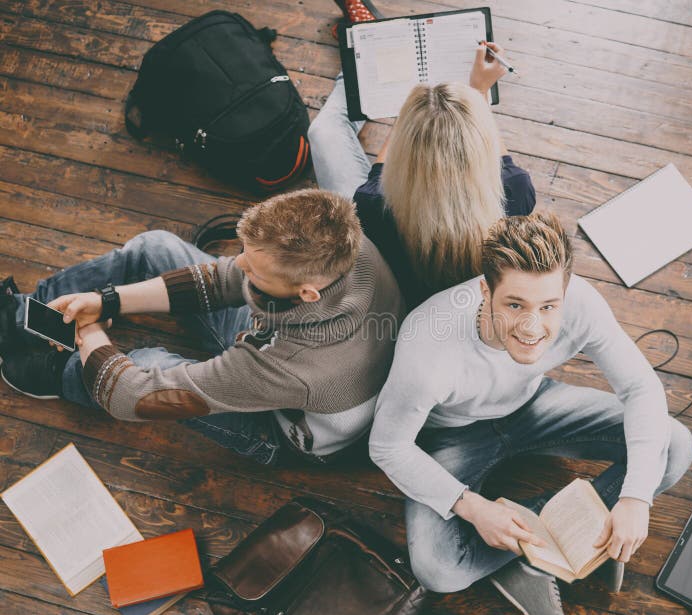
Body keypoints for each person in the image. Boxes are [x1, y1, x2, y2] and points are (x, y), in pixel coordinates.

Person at [369, 213, 692, 615]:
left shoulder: (582, 304)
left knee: (676, 445)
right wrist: (474, 509)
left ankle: (540, 541)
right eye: (515, 305)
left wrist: (635, 498)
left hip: (533, 406)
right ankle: (545, 541)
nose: (531, 327)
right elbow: (387, 445)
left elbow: (640, 388)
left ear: (565, 293)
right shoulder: (428, 347)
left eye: (548, 306)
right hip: (453, 435)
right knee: (438, 570)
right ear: (485, 291)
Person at [0, 189, 404, 465]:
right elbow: (227, 278)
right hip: (292, 346)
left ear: (306, 293)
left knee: (146, 363)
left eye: (254, 269)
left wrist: (87, 332)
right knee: (155, 247)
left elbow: (131, 397)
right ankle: (25, 311)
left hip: (282, 427)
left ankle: (61, 373)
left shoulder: (294, 366)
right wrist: (107, 301)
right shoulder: (344, 244)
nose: (237, 264)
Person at [309, 34, 536, 308]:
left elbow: (381, 171)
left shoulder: (373, 203)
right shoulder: (515, 188)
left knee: (323, 131)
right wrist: (479, 92)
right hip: (445, 312)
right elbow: (497, 153)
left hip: (392, 304)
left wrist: (405, 113)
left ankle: (358, 56)